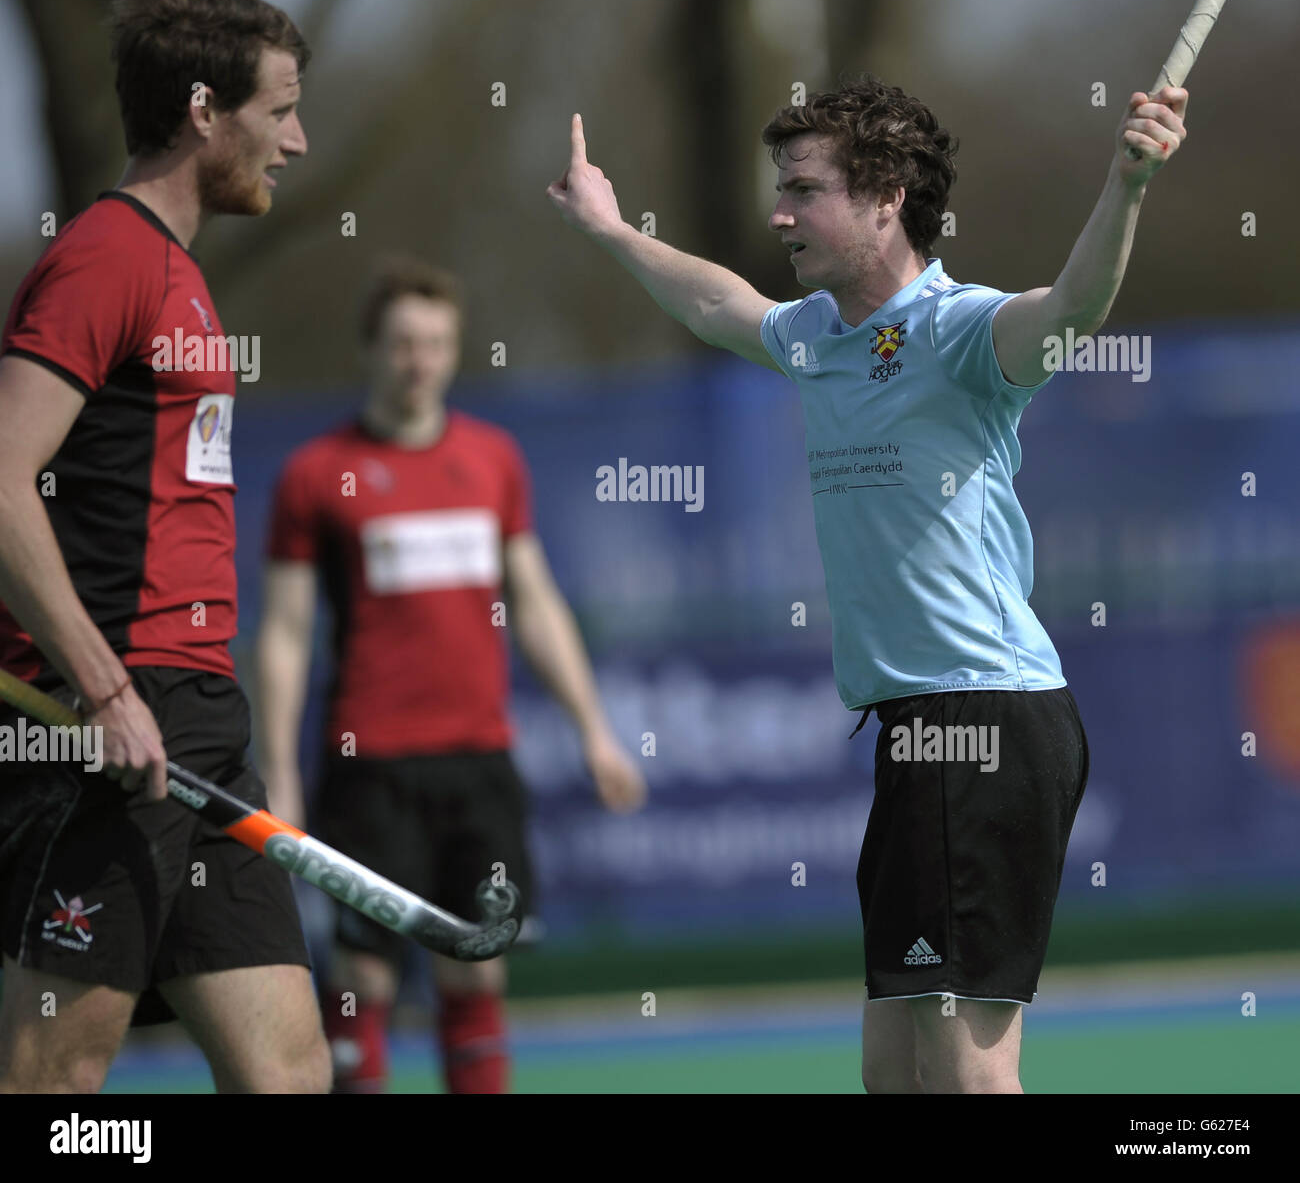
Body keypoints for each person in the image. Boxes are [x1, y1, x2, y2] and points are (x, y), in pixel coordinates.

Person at [546, 75, 1187, 1093]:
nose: (780, 213)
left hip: (983, 718)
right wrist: (613, 231)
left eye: (805, 189)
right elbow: (717, 301)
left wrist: (1128, 183)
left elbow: (1074, 305)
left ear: (886, 196)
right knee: (893, 1076)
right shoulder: (818, 337)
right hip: (916, 735)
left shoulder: (959, 333)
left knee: (967, 1078)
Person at [0, 0, 330, 1093]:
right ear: (204, 110)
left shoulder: (181, 276)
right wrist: (101, 692)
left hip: (195, 714)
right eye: (279, 109)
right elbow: (1, 476)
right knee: (55, 1085)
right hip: (105, 722)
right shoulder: (104, 257)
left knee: (287, 1076)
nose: (296, 140)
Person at [257, 254, 646, 1094]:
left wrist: (595, 732)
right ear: (371, 349)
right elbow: (285, 633)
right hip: (370, 768)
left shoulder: (493, 460)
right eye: (402, 343)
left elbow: (534, 601)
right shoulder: (316, 477)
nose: (419, 360)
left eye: (435, 343)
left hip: (479, 765)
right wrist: (281, 771)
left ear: (455, 349)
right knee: (364, 988)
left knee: (477, 970)